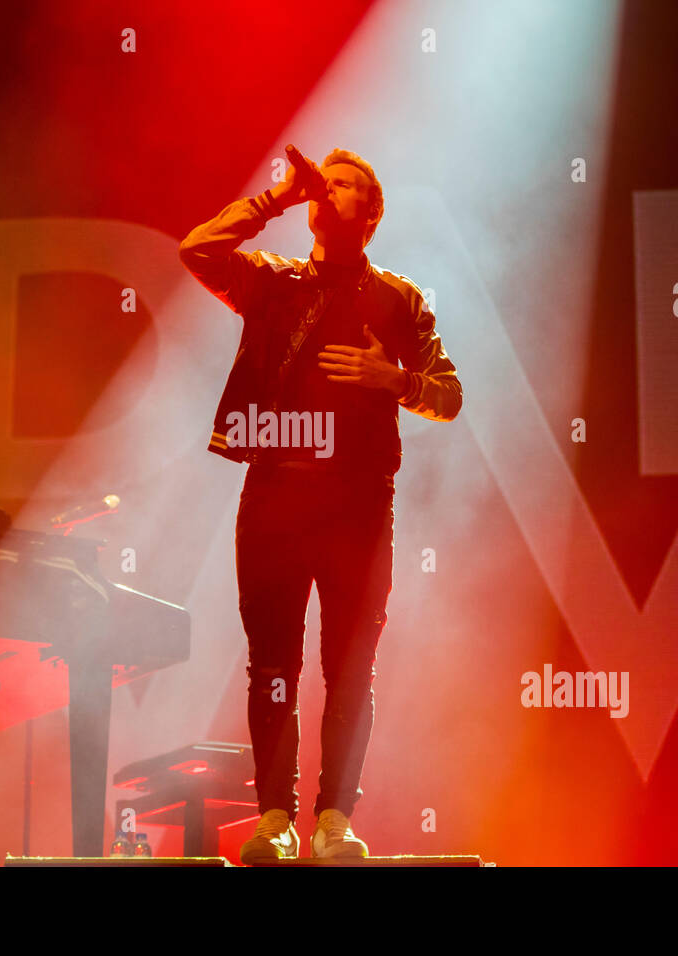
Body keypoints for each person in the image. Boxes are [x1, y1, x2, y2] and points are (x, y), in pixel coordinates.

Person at [178, 145, 462, 862]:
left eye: (343, 186)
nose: (324, 192)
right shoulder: (273, 283)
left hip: (360, 509)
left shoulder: (401, 301)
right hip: (274, 498)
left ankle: (335, 819)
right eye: (320, 184)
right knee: (272, 666)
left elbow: (450, 396)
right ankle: (274, 818)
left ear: (369, 215)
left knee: (351, 666)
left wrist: (390, 379)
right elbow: (198, 250)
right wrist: (271, 199)